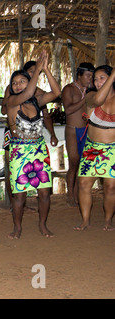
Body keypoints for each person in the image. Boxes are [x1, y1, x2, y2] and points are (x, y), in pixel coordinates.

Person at [5, 51, 61, 239]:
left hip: (39, 150)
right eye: (15, 83)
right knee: (20, 195)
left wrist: (45, 69)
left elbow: (56, 92)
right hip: (19, 152)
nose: (18, 85)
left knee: (44, 192)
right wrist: (36, 70)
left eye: (22, 81)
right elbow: (28, 92)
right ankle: (17, 227)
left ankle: (42, 224)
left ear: (29, 83)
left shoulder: (37, 101)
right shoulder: (12, 102)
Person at [75, 65, 115, 231]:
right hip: (93, 148)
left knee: (110, 188)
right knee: (84, 184)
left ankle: (108, 221)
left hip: (113, 149)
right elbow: (99, 101)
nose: (97, 82)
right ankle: (85, 220)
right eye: (96, 79)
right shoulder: (91, 96)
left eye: (102, 78)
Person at [62, 62, 95, 207]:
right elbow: (68, 110)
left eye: (92, 76)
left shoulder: (92, 90)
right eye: (88, 76)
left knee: (85, 164)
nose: (90, 79)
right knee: (74, 162)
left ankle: (80, 193)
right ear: (79, 75)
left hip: (87, 130)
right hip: (72, 129)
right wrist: (84, 100)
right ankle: (70, 194)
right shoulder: (68, 89)